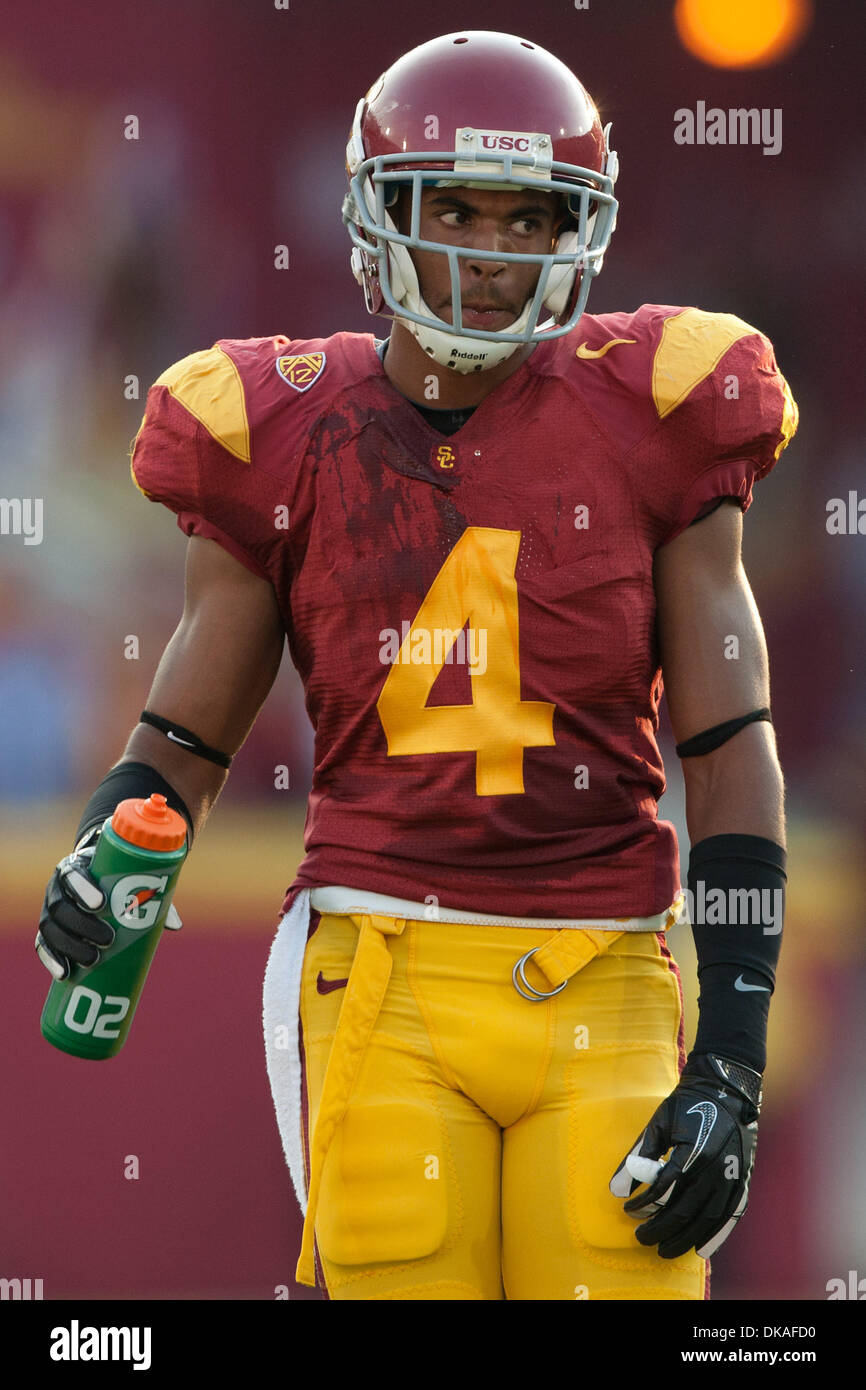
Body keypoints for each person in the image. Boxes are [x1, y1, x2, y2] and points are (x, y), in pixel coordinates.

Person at [36, 30, 796, 1301]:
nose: (486, 254)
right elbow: (184, 740)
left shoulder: (659, 409)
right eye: (452, 207)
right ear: (378, 211)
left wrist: (728, 1056)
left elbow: (728, 749)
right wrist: (109, 836)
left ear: (579, 231)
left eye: (524, 216)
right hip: (379, 964)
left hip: (603, 960)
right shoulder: (275, 430)